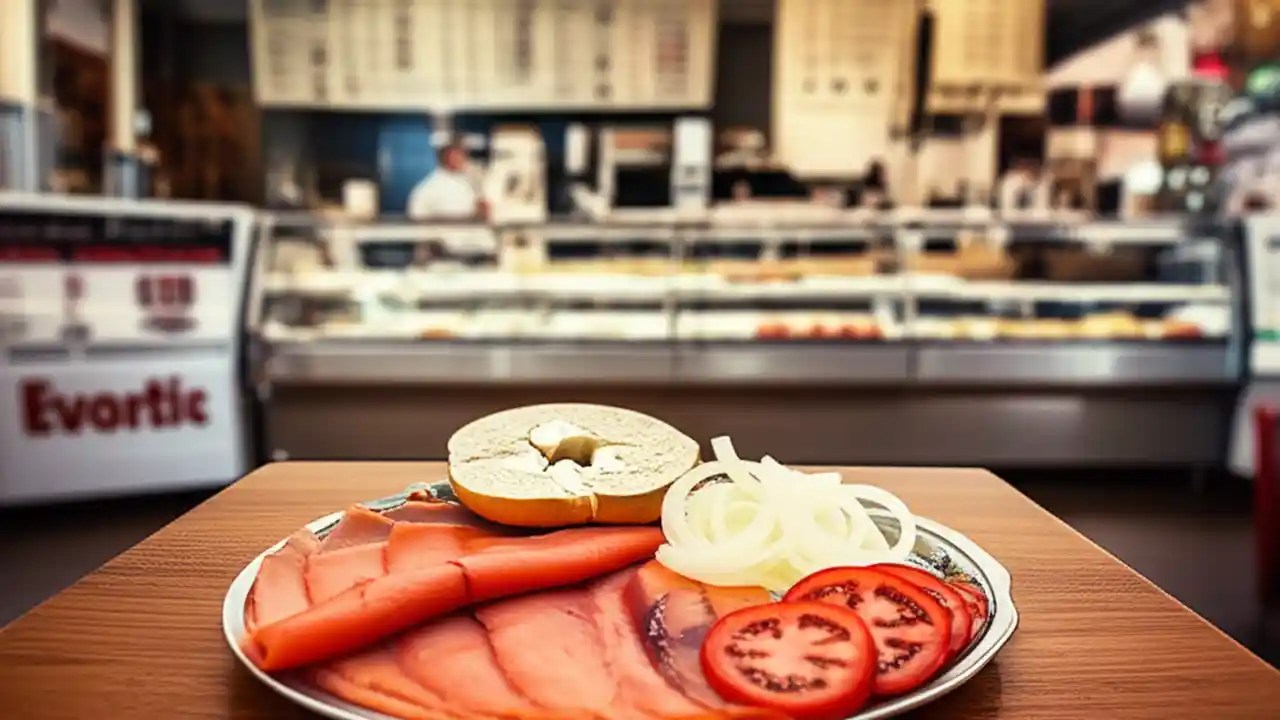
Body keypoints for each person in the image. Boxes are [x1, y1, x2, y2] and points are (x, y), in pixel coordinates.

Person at [407, 140, 487, 220]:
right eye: (458, 154)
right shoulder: (428, 188)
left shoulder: (468, 181)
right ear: (447, 156)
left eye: (464, 154)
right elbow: (417, 220)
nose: (464, 159)